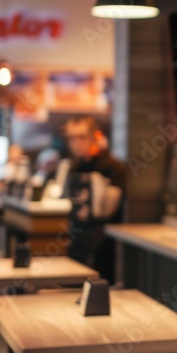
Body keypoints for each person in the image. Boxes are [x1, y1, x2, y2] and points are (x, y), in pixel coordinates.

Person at [63, 117, 127, 282]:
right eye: (71, 138)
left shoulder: (113, 168)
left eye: (82, 137)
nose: (76, 143)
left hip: (103, 246)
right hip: (77, 238)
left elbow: (110, 210)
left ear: (95, 136)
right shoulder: (74, 167)